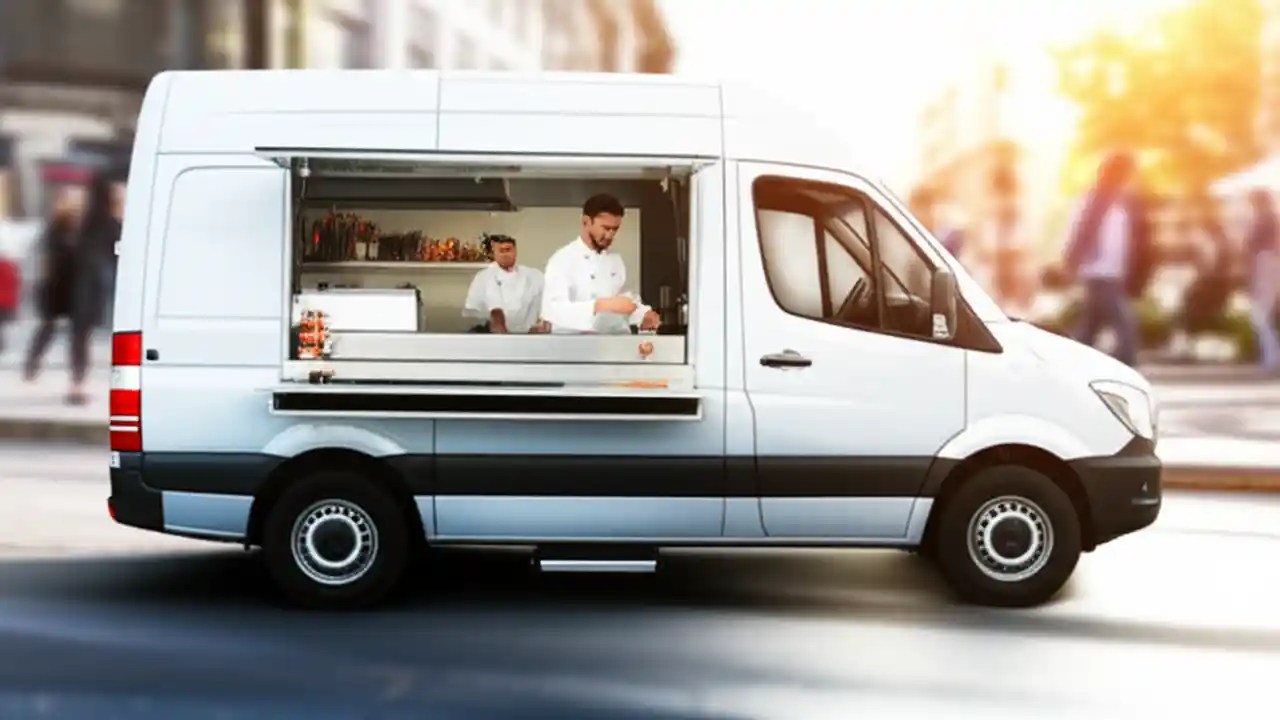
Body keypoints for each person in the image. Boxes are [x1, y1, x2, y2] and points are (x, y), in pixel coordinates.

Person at [25, 174, 119, 404]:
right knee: (59, 330)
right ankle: (45, 368)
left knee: (75, 335)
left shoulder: (92, 222)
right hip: (67, 287)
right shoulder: (77, 222)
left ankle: (74, 382)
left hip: (78, 287)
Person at [1062, 150, 1153, 367]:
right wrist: (1072, 261)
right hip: (1098, 272)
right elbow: (1078, 231)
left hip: (1112, 271)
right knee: (1123, 322)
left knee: (1091, 325)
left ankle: (1073, 362)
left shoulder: (1122, 201)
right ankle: (1127, 363)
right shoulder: (1094, 200)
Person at [541, 193, 659, 334]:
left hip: (615, 345)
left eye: (615, 229)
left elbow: (627, 300)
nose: (610, 235)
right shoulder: (562, 260)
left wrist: (643, 315)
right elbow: (553, 311)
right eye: (606, 228)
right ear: (586, 222)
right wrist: (599, 305)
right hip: (574, 349)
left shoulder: (616, 260)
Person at [462, 234, 547, 334]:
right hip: (492, 337)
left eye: (508, 250)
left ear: (515, 251)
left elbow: (548, 304)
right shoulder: (483, 277)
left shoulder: (534, 275)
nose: (505, 254)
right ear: (494, 253)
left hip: (527, 336)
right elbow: (472, 312)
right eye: (501, 251)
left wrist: (541, 326)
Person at [1246, 188, 1280, 372]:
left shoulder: (1263, 220)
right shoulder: (1271, 219)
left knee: (1260, 315)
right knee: (1262, 315)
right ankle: (1271, 356)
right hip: (1267, 265)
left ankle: (1272, 357)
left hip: (1265, 265)